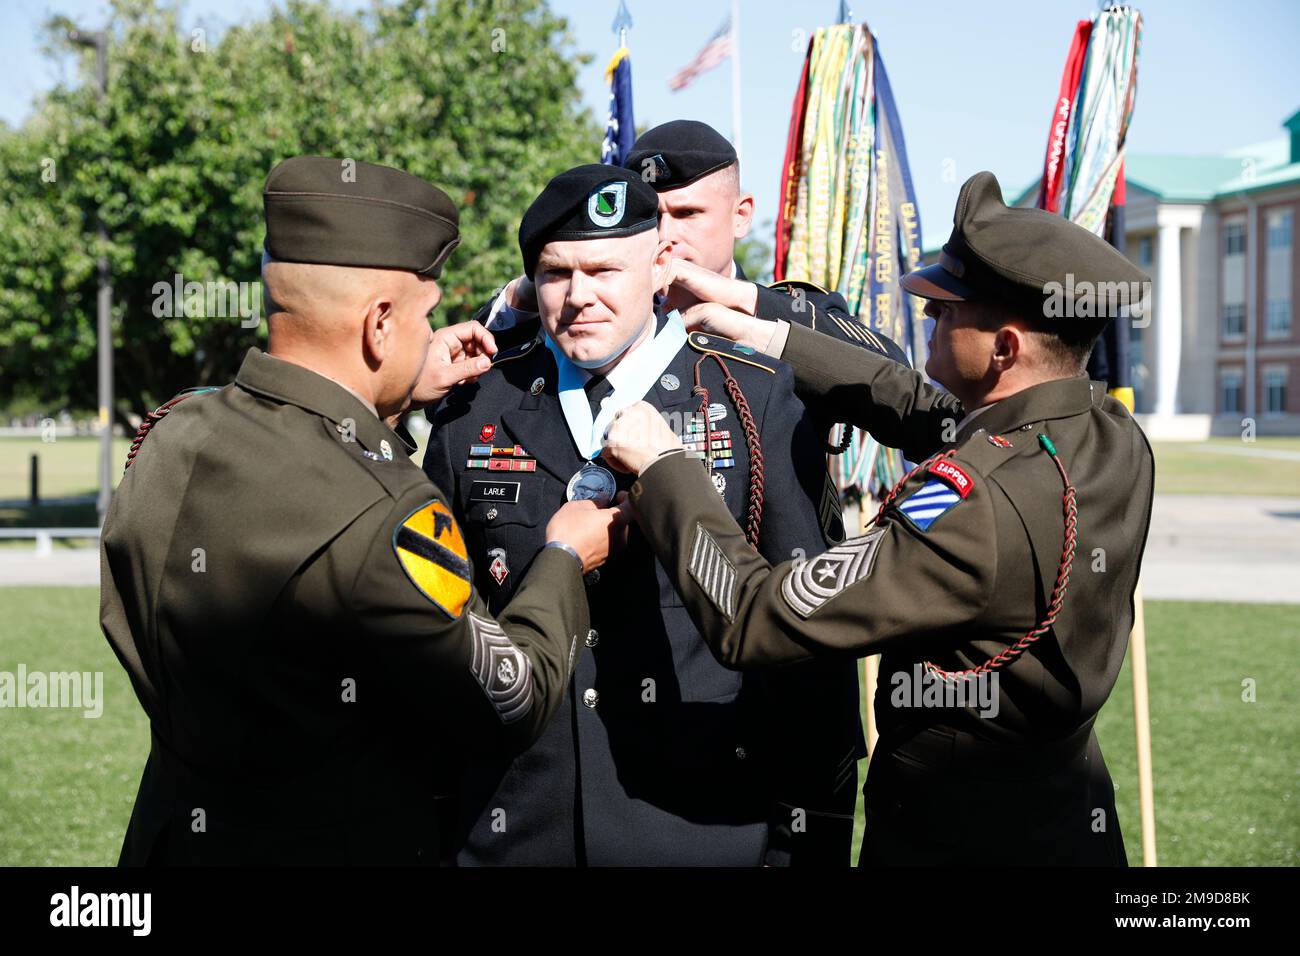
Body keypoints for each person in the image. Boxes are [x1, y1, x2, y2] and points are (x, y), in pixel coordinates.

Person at [603, 170, 1155, 866]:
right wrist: (766, 333)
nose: (928, 319)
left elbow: (758, 618)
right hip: (1066, 827)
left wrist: (666, 468)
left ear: (1006, 348)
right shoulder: (1106, 432)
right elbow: (919, 406)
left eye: (948, 310)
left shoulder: (971, 506)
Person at [100, 155, 629, 866]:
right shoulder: (390, 514)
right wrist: (565, 558)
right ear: (379, 324)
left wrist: (394, 388)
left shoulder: (173, 434)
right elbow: (511, 698)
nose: (431, 329)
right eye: (425, 314)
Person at [424, 164, 863, 866]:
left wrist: (804, 848)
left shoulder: (754, 399)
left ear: (661, 264)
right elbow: (438, 645)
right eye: (555, 273)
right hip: (516, 836)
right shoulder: (475, 407)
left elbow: (808, 653)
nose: (579, 297)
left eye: (604, 269)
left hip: (700, 833)